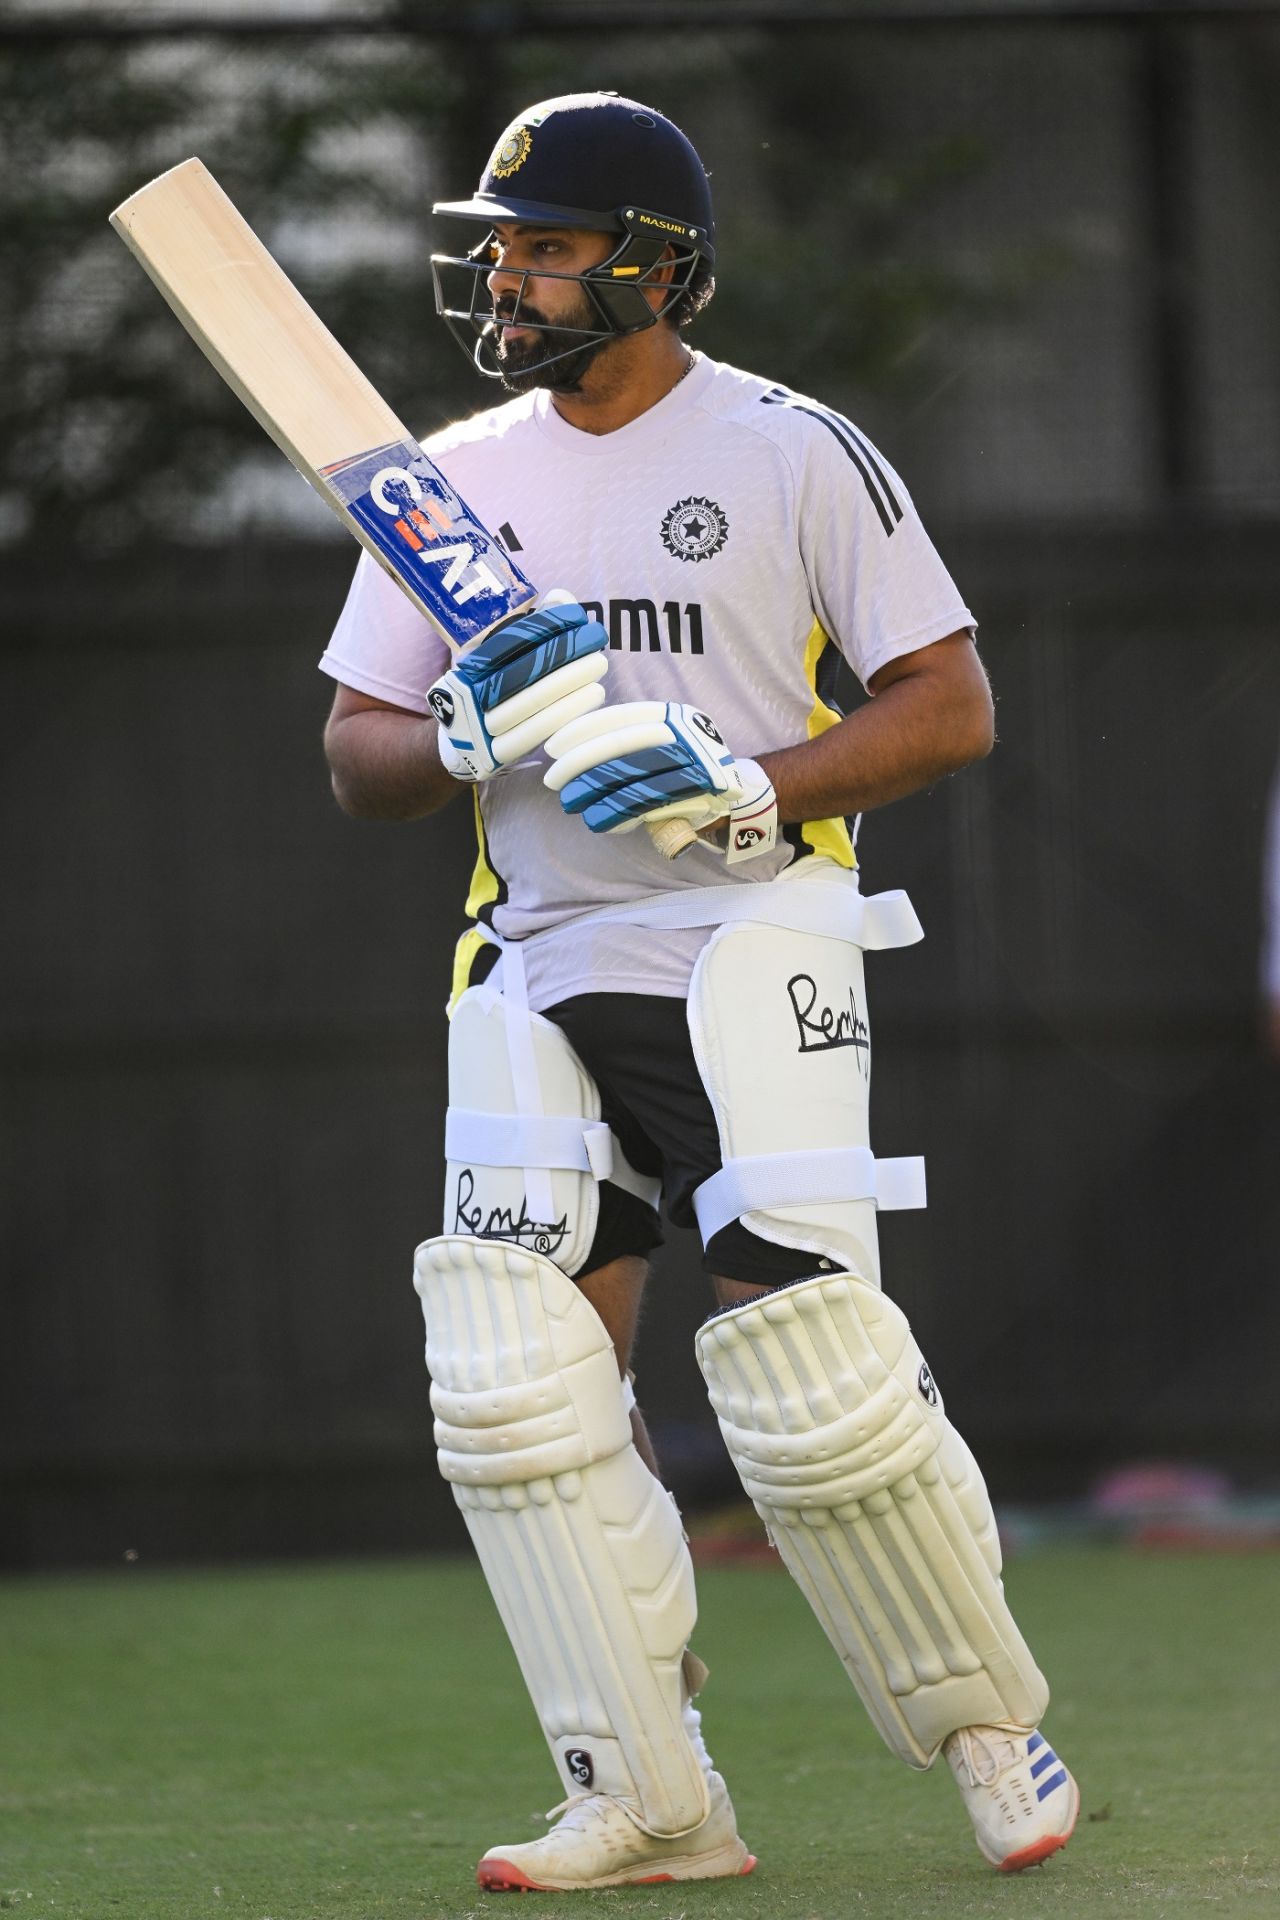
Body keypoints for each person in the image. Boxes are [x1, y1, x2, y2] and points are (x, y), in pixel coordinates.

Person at [319, 90, 1079, 1892]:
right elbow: (356, 754)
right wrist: (452, 733)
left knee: (808, 1388)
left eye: (550, 248)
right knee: (519, 1398)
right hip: (536, 956)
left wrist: (753, 783)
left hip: (752, 944)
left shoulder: (792, 452)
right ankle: (650, 1795)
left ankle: (993, 1732)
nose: (509, 277)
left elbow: (948, 706)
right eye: (501, 246)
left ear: (656, 271)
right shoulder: (449, 486)